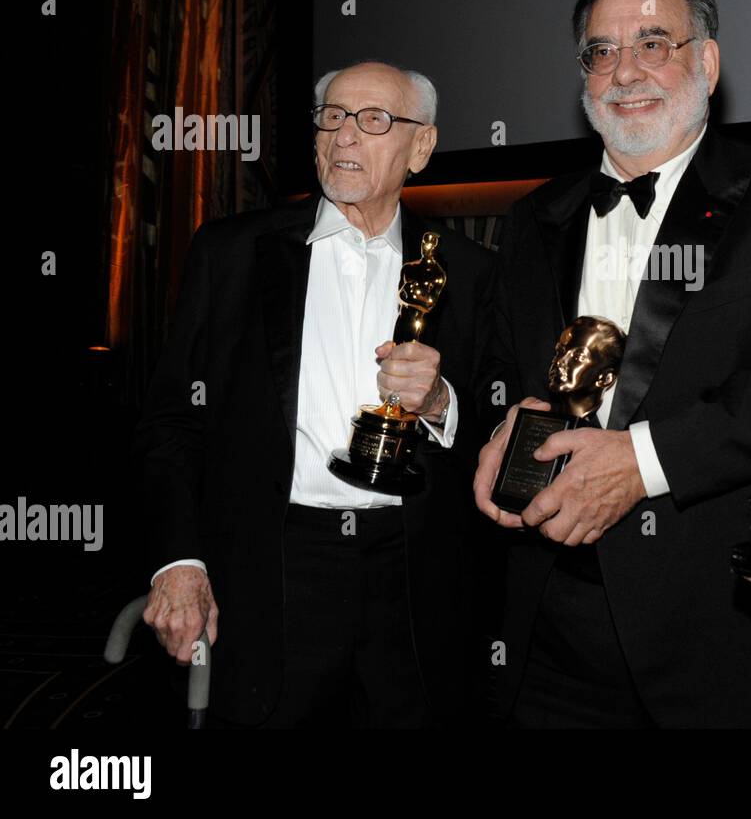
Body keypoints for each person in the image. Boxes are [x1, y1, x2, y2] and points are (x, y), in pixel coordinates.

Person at [473, 0, 751, 727]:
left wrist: (640, 464)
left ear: (708, 62)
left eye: (654, 43)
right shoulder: (531, 218)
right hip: (546, 629)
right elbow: (499, 368)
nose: (625, 71)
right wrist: (500, 430)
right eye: (602, 51)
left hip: (717, 633)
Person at [136, 61, 494, 726]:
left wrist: (442, 404)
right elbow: (172, 424)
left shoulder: (470, 274)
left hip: (415, 575)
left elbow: (502, 425)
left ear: (420, 147)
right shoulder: (232, 254)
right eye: (332, 117)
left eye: (374, 121)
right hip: (273, 565)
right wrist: (178, 563)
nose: (345, 137)